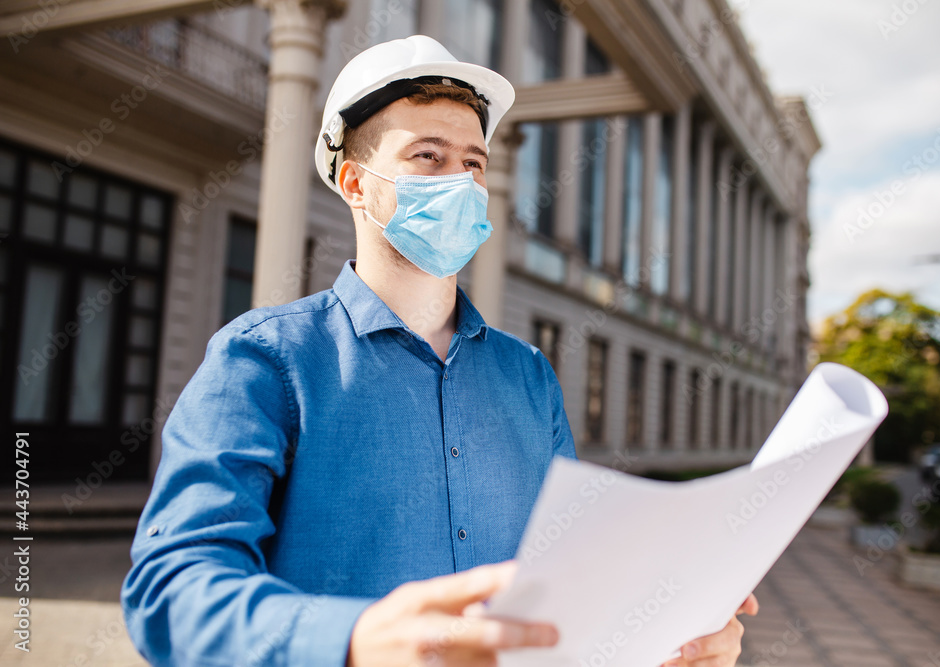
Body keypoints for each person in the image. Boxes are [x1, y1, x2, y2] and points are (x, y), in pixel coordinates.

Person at [121, 35, 756, 667]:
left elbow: (570, 574)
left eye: (474, 164)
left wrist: (672, 630)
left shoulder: (529, 376)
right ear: (354, 184)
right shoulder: (265, 360)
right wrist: (352, 638)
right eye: (429, 156)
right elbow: (169, 588)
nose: (460, 181)